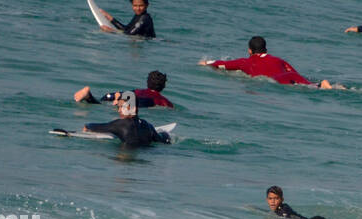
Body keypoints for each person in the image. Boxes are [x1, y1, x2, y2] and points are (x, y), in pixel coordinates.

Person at [199, 37, 337, 89]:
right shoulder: (279, 59)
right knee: (310, 85)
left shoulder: (244, 62)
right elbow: (293, 72)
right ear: (266, 49)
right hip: (293, 77)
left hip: (277, 80)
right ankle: (321, 84)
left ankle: (321, 85)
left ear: (249, 51)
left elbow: (222, 64)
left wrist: (206, 63)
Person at [81, 91, 170, 146]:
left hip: (125, 159)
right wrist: (165, 133)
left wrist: (86, 127)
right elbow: (163, 140)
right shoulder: (148, 126)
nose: (119, 110)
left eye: (122, 107)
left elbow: (92, 126)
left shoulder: (121, 124)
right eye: (119, 107)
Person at [74, 71, 174, 108]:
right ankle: (119, 102)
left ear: (147, 82)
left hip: (131, 95)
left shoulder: (138, 91)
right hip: (146, 102)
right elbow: (171, 109)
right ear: (163, 86)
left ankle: (89, 96)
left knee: (108, 98)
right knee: (126, 104)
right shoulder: (163, 101)